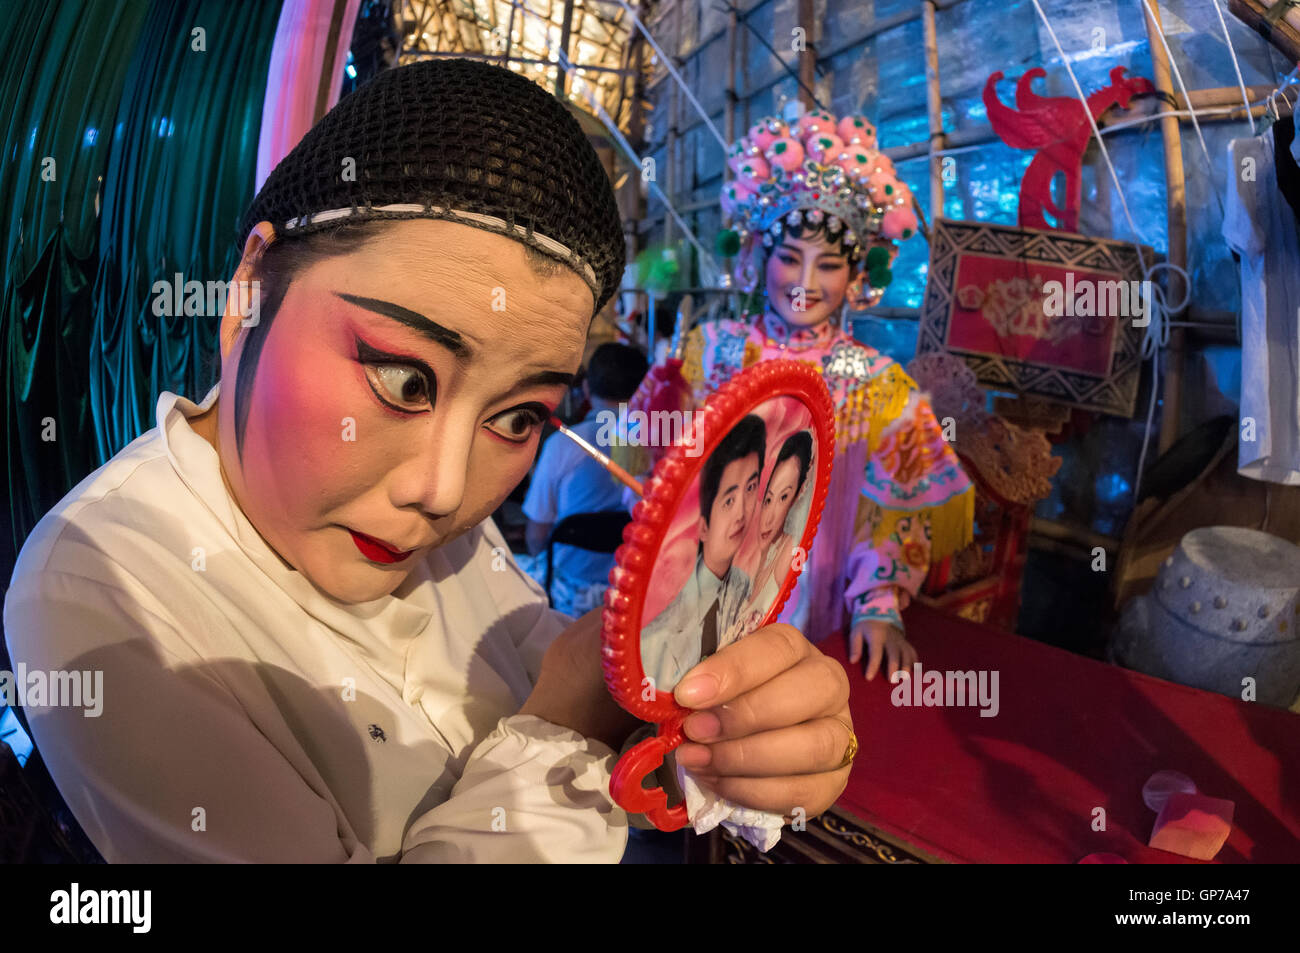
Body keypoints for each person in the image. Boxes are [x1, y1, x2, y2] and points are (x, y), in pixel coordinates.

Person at [2, 61, 854, 863]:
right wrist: (561, 730)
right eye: (405, 378)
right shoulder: (102, 588)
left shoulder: (438, 528)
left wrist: (729, 734)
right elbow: (559, 700)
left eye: (518, 415)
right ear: (250, 287)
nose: (444, 491)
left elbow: (574, 675)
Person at [632, 106, 974, 682]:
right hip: (694, 587)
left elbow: (890, 516)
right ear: (757, 258)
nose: (805, 283)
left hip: (807, 605)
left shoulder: (875, 381)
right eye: (789, 257)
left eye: (830, 264)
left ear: (857, 276)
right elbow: (657, 477)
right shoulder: (710, 350)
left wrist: (878, 606)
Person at [520, 342, 647, 617]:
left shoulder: (562, 445)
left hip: (568, 597)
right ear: (643, 388)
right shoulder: (662, 442)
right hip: (638, 593)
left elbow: (536, 537)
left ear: (587, 388)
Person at [640, 415, 763, 691]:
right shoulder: (657, 630)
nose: (743, 514)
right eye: (729, 500)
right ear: (702, 526)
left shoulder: (750, 587)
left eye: (751, 488)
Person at [736, 430, 815, 636]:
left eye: (783, 498)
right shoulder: (740, 548)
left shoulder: (788, 555)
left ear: (798, 494)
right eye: (768, 499)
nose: (769, 518)